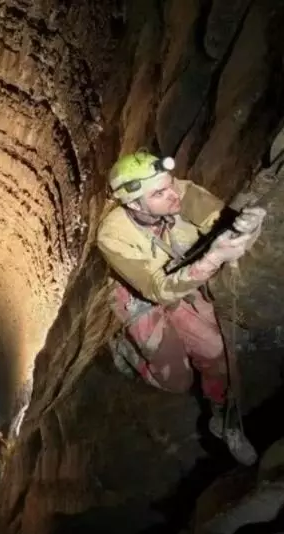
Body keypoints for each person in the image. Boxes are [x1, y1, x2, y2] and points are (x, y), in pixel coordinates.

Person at [97, 150, 266, 466]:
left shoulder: (182, 193)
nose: (173, 194)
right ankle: (128, 352)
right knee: (178, 382)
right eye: (159, 193)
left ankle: (224, 420)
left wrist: (247, 228)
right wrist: (213, 258)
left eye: (169, 183)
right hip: (140, 295)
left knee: (217, 352)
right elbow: (157, 290)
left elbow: (224, 224)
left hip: (184, 281)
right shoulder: (112, 235)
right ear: (134, 204)